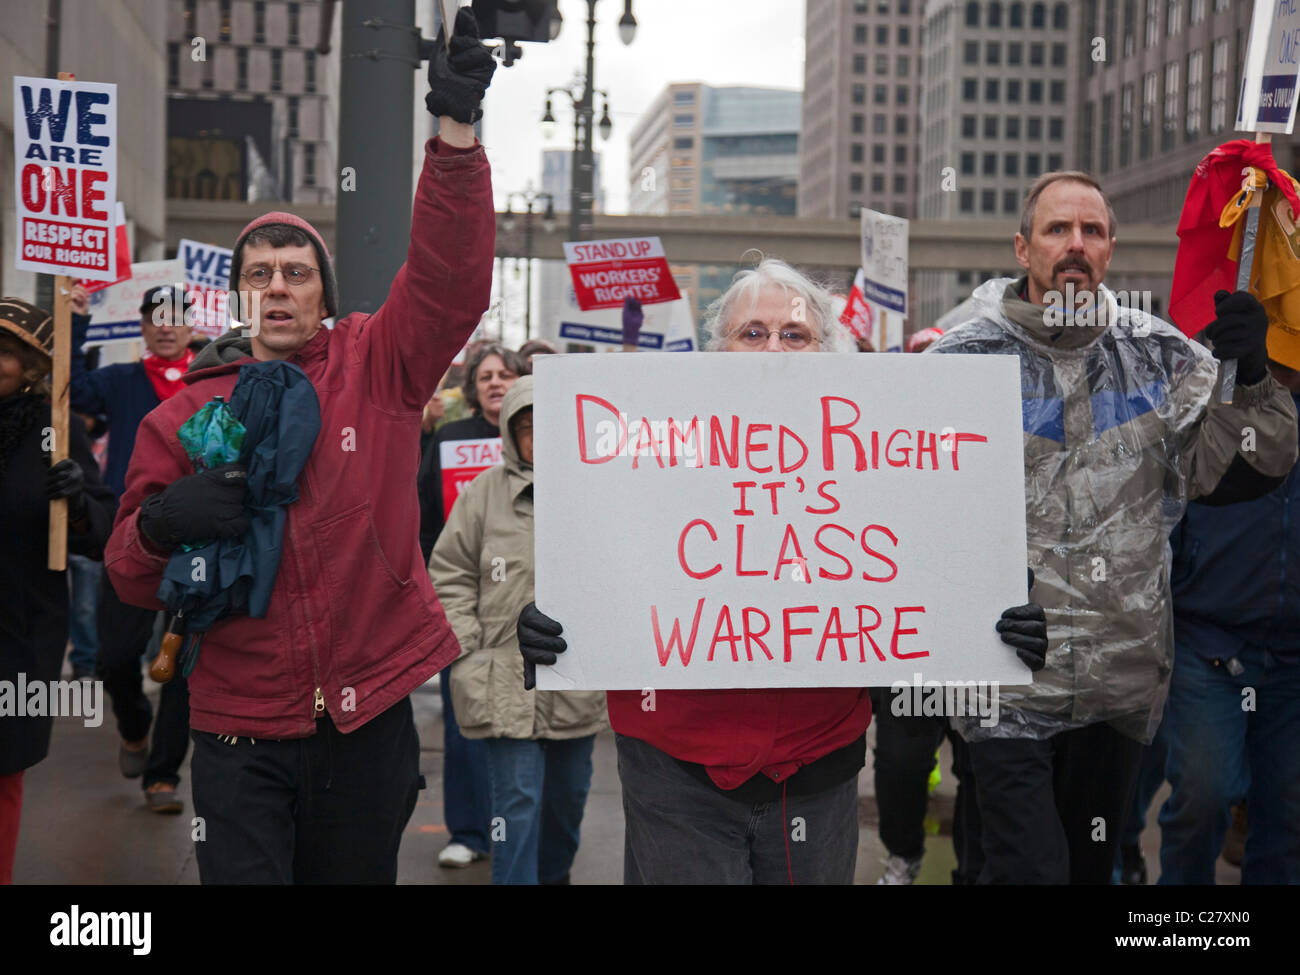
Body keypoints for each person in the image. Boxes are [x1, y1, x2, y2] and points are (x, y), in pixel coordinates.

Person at [103, 7, 497, 884]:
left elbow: (449, 277)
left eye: (297, 272)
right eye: (259, 273)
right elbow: (128, 573)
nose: (277, 287)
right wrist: (163, 523)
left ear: (324, 293)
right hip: (240, 728)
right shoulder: (180, 416)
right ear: (237, 295)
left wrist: (457, 136)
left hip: (368, 721)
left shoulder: (380, 363)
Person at [517, 258, 1048, 885]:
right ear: (717, 350)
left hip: (817, 771)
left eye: (794, 334)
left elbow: (940, 561)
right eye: (753, 332)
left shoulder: (879, 457)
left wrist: (998, 620)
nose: (774, 347)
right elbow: (599, 561)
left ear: (827, 352)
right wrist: (556, 622)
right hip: (675, 769)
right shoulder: (651, 451)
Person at [927, 170, 1299, 884]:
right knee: (1028, 870)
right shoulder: (960, 363)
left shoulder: (1160, 357)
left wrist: (1253, 375)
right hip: (1004, 681)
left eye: (1091, 231)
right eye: (1057, 229)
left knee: (1090, 866)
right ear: (1022, 247)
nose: (1075, 244)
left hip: (1116, 685)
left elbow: (1245, 468)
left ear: (1110, 250)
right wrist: (969, 622)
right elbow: (910, 527)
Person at [430, 377, 606, 884]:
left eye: (543, 426)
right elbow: (450, 573)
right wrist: (470, 651)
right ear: (510, 433)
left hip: (574, 680)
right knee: (516, 809)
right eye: (525, 427)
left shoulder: (589, 492)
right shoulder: (484, 492)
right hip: (502, 680)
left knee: (566, 807)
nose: (535, 437)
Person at [1156, 354, 1300, 884]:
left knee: (1288, 816)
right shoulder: (1207, 396)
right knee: (1202, 799)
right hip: (1209, 643)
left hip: (1293, 660)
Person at [0, 297, 116, 884]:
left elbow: (101, 535)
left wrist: (74, 500)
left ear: (30, 364)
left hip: (18, 632)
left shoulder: (56, 429)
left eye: (5, 351)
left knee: (1, 772)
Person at [69, 283, 196, 812]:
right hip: (134, 541)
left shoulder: (209, 380)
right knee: (116, 658)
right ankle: (133, 727)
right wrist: (78, 322)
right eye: (154, 318)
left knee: (183, 666)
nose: (165, 326)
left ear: (190, 324)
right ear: (143, 327)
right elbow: (69, 389)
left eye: (174, 317)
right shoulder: (122, 381)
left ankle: (162, 776)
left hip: (199, 544)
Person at [418, 341, 523, 869]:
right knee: (463, 724)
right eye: (485, 376)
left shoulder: (543, 443)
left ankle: (518, 828)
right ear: (473, 387)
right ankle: (469, 831)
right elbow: (426, 520)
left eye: (505, 374)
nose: (495, 383)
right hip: (464, 603)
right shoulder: (448, 439)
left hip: (525, 608)